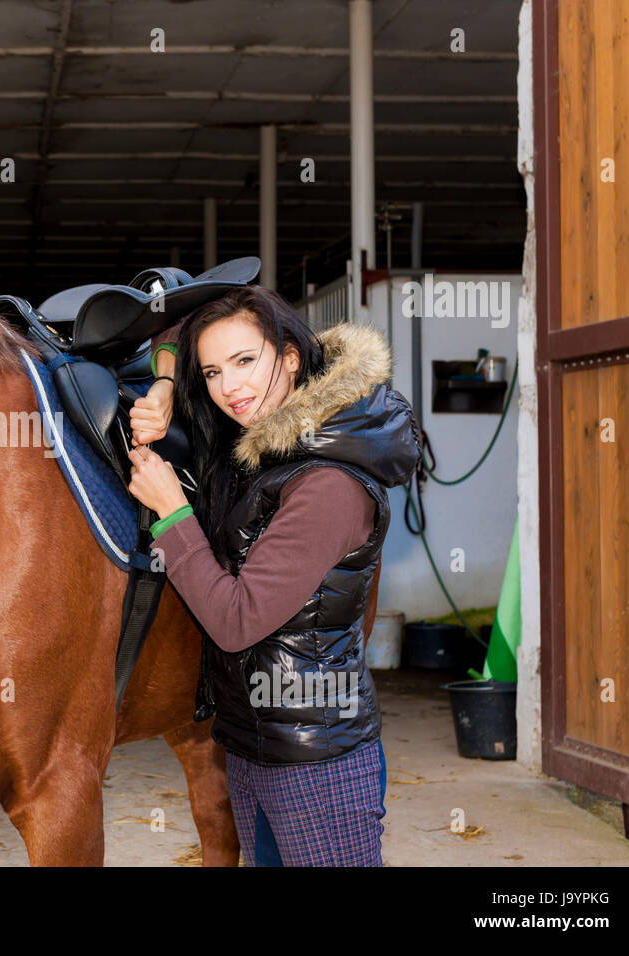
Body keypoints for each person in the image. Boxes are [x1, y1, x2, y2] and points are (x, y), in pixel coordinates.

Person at [124, 285, 419, 866]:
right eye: (210, 372)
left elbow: (237, 621)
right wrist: (163, 386)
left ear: (288, 357)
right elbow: (170, 327)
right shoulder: (269, 452)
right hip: (255, 749)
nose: (228, 388)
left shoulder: (327, 485)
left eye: (244, 361)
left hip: (317, 766)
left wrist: (171, 513)